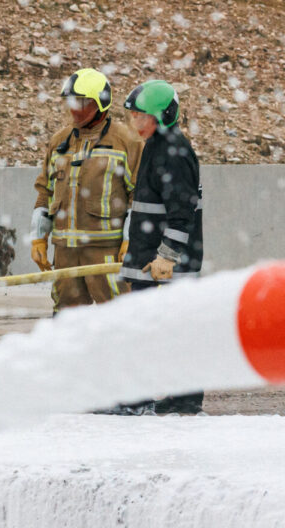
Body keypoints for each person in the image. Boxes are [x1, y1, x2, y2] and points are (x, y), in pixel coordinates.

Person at [118, 79, 205, 414]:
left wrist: (167, 256)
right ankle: (180, 396)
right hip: (148, 259)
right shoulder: (157, 146)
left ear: (162, 116)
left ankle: (157, 397)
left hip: (166, 264)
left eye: (142, 117)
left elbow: (182, 212)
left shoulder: (175, 152)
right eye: (134, 117)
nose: (136, 124)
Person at [29, 68, 144, 313]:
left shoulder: (127, 142)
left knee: (116, 316)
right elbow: (45, 191)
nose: (75, 109)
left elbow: (139, 197)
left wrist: (130, 240)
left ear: (101, 103)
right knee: (67, 320)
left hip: (105, 255)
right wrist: (39, 237)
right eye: (71, 102)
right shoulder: (60, 142)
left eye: (82, 103)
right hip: (65, 253)